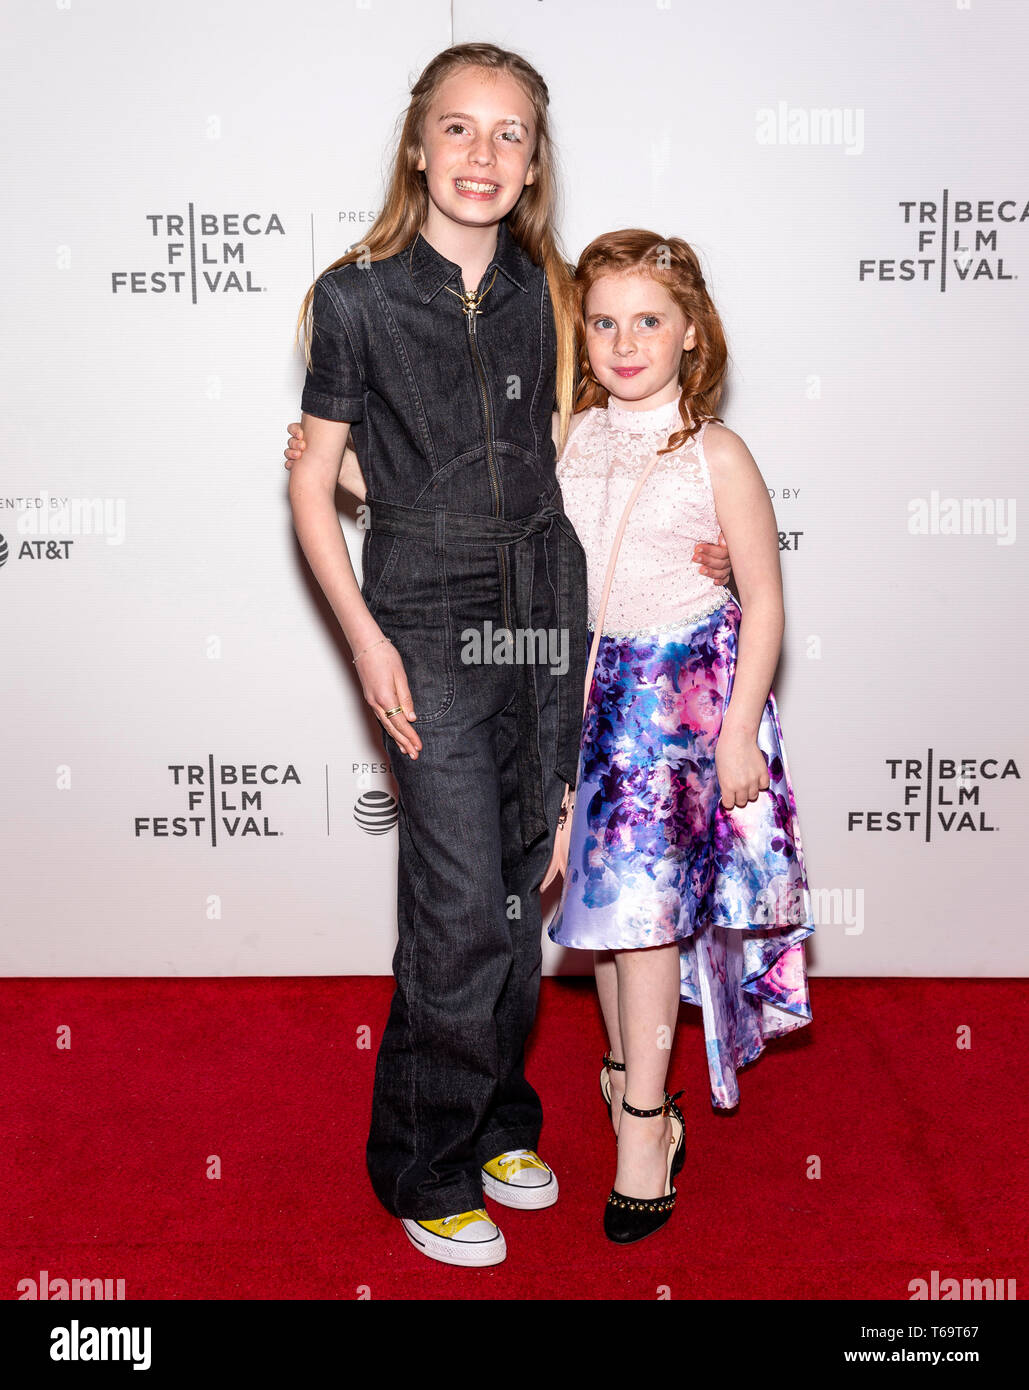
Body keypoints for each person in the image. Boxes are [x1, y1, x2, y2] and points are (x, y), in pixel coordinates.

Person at [285, 41, 736, 1266]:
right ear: (418, 145)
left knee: (518, 886)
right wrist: (365, 641)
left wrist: (699, 538)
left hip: (546, 615)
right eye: (460, 129)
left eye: (511, 134)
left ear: (536, 161)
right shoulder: (356, 295)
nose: (484, 155)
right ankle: (424, 1165)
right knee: (453, 909)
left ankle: (497, 1118)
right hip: (422, 622)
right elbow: (315, 477)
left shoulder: (549, 287)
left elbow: (576, 459)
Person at [546, 229, 815, 1244]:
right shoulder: (571, 434)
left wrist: (741, 727)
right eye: (605, 321)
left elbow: (767, 600)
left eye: (647, 320)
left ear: (689, 332)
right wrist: (345, 472)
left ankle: (646, 1125)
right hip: (585, 698)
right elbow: (478, 516)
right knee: (605, 923)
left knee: (650, 920)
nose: (624, 341)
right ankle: (625, 1074)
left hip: (681, 707)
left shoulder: (719, 453)